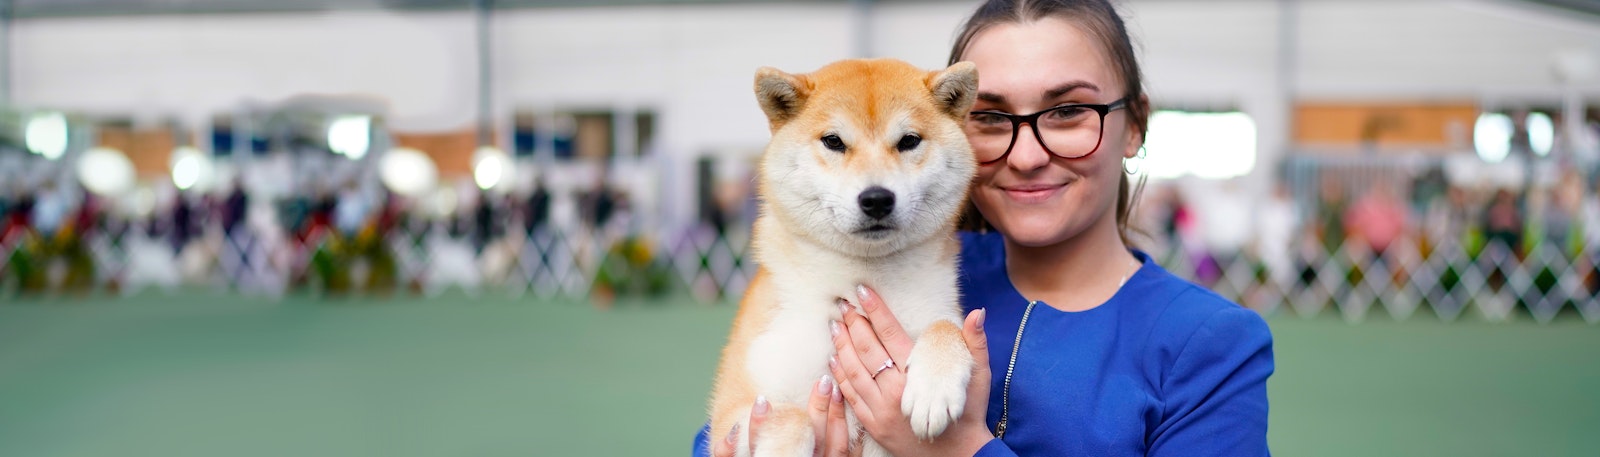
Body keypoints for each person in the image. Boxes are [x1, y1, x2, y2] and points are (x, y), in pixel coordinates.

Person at [697, 0, 1273, 455]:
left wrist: (963, 450)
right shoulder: (883, 269)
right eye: (992, 117)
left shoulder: (1210, 347)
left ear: (1135, 125)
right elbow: (723, 435)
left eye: (1068, 111)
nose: (1028, 155)